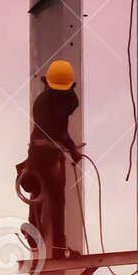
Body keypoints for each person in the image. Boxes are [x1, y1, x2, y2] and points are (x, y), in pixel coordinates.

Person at [24, 58, 81, 258]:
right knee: (57, 199)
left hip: (35, 155)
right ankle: (58, 248)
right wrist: (73, 150)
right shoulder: (63, 103)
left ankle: (32, 231)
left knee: (37, 192)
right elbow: (60, 134)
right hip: (48, 156)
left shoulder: (42, 102)